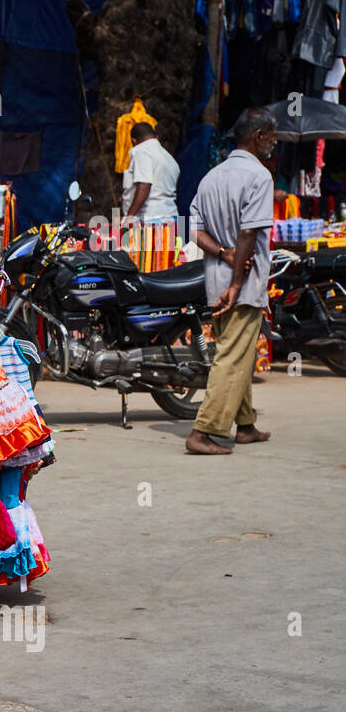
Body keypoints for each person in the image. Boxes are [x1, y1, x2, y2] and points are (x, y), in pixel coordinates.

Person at [184, 107, 277, 455]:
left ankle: (246, 424)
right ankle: (203, 432)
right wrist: (237, 283)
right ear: (258, 137)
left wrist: (222, 254)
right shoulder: (259, 176)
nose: (275, 141)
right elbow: (249, 234)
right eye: (272, 135)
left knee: (238, 350)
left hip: (215, 279)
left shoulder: (213, 176)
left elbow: (193, 229)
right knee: (232, 356)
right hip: (243, 283)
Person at [121, 121, 179, 225]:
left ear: (133, 141)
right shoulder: (170, 158)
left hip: (150, 219)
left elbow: (144, 185)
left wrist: (130, 216)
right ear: (156, 137)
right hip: (171, 218)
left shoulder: (141, 151)